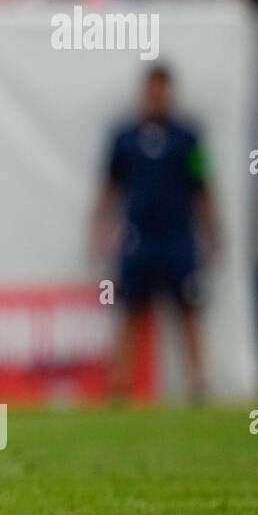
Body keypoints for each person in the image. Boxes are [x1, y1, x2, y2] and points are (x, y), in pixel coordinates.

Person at [94, 66, 219, 402]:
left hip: (178, 235)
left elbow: (203, 185)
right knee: (131, 311)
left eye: (163, 90)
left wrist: (212, 230)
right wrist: (101, 225)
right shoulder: (126, 136)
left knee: (188, 309)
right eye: (153, 89)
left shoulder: (187, 136)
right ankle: (120, 385)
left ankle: (198, 382)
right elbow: (110, 185)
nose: (157, 96)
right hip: (139, 237)